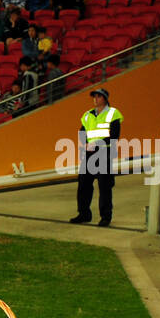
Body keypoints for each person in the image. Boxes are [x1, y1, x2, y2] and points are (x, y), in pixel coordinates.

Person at [71, 88, 122, 226]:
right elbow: (82, 131)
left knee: (104, 186)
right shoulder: (87, 115)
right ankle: (84, 214)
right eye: (94, 96)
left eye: (98, 96)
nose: (95, 99)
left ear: (105, 99)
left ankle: (106, 216)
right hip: (89, 154)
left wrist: (96, 144)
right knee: (83, 184)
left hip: (104, 153)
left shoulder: (113, 114)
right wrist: (86, 145)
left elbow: (114, 136)